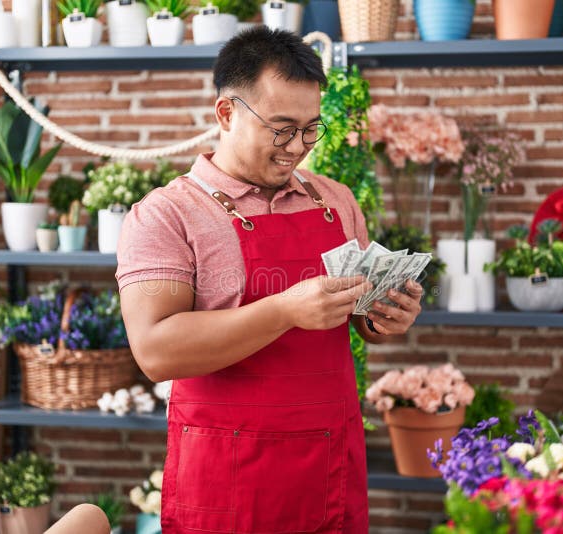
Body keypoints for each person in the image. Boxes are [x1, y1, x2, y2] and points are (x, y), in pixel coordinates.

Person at [116, 27, 424, 534]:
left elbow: (360, 319)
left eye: (311, 129)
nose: (298, 147)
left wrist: (383, 315)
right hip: (230, 483)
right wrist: (284, 310)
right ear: (226, 113)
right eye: (281, 128)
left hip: (331, 471)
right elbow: (155, 351)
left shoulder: (336, 200)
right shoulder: (166, 215)